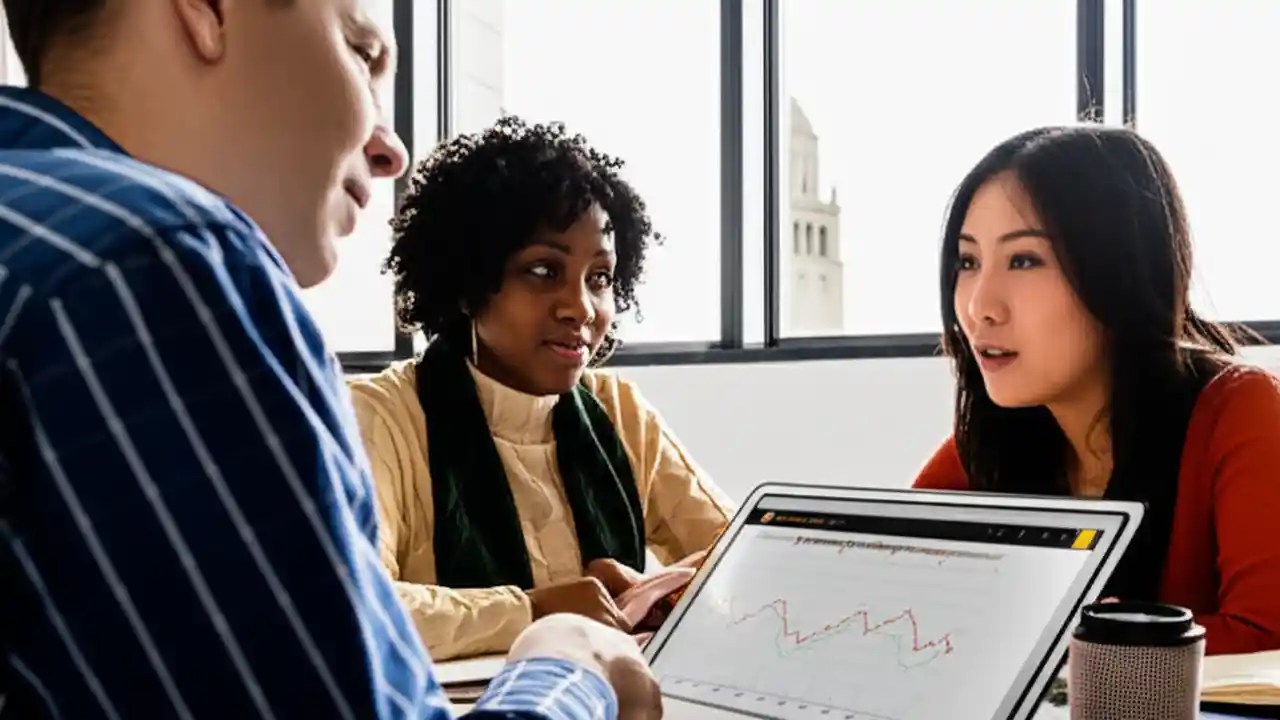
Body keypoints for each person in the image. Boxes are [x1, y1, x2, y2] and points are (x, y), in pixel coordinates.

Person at [0, 1, 660, 718]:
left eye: (599, 278)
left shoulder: (33, 232)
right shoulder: (160, 260)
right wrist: (571, 663)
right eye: (361, 54)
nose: (391, 149)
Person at [347, 116, 735, 661]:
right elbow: (353, 605)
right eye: (543, 270)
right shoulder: (379, 417)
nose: (580, 307)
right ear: (468, 283)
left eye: (599, 278)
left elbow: (745, 559)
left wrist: (661, 591)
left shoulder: (618, 411)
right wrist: (533, 610)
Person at [914, 126, 1280, 655]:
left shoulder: (1242, 410)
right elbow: (887, 586)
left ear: (1118, 269)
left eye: (1023, 261)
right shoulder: (993, 438)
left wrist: (1078, 638)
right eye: (968, 263)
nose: (978, 307)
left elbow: (1269, 639)